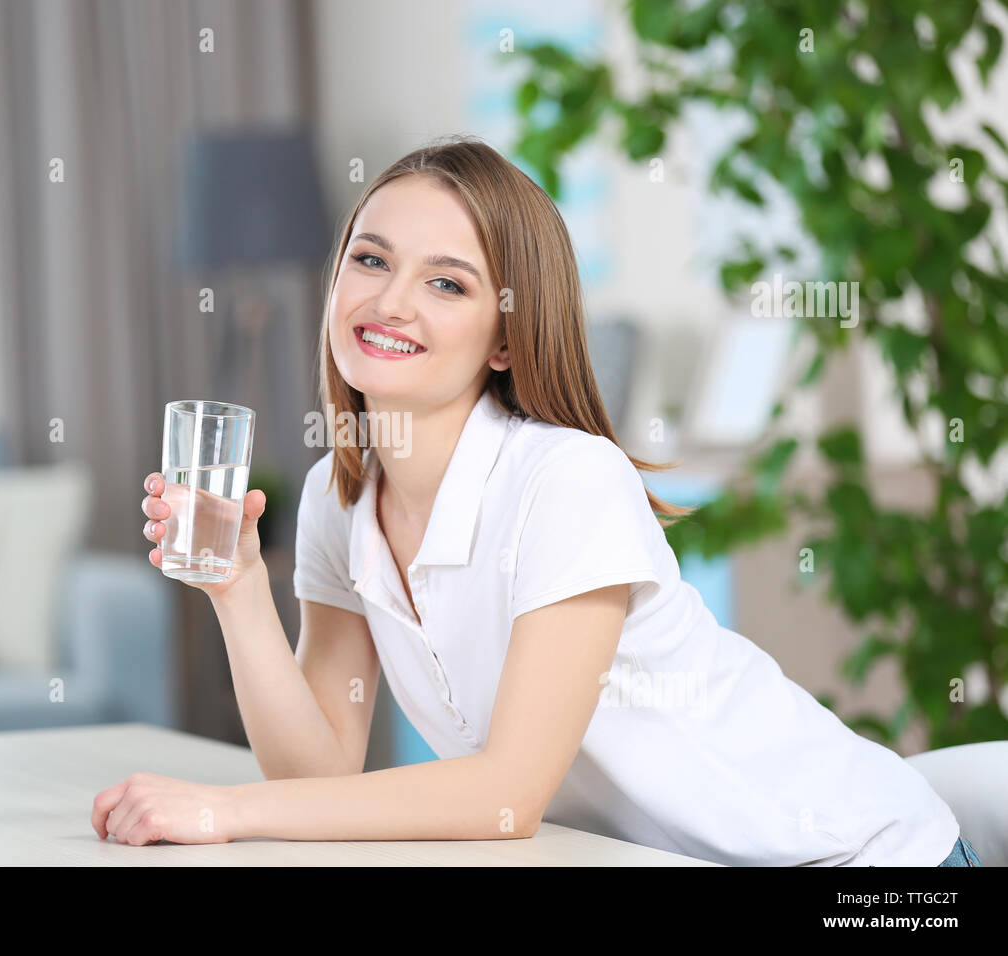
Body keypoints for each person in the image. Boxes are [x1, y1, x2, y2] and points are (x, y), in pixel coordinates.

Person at [96, 135, 973, 867]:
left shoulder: (565, 480)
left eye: (447, 282)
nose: (389, 300)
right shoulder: (339, 494)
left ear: (508, 337)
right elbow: (316, 771)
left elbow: (508, 796)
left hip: (867, 868)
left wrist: (223, 811)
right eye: (370, 259)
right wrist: (240, 589)